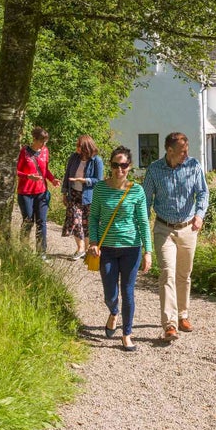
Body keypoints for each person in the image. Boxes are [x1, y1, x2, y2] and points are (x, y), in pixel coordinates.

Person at [141, 132, 209, 340]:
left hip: (188, 228)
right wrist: (142, 230)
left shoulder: (193, 166)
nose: (186, 155)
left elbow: (203, 192)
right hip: (164, 229)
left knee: (184, 274)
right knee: (167, 273)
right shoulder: (154, 170)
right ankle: (169, 324)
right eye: (182, 152)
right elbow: (145, 201)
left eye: (187, 151)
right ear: (169, 151)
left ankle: (182, 315)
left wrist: (199, 215)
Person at [87, 146, 151, 351]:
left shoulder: (137, 190)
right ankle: (113, 312)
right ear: (110, 166)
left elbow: (143, 222)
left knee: (128, 291)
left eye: (123, 165)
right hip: (106, 248)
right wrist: (93, 242)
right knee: (110, 293)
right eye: (115, 165)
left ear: (129, 166)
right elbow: (94, 218)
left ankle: (127, 334)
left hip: (131, 247)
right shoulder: (100, 188)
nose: (119, 170)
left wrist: (148, 252)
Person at [17, 126, 60, 260]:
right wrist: (27, 176)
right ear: (34, 139)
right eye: (41, 141)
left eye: (45, 141)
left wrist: (52, 179)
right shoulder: (24, 152)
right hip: (25, 192)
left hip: (41, 192)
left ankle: (41, 252)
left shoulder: (45, 151)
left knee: (42, 222)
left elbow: (45, 170)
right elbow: (16, 170)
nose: (43, 144)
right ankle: (24, 250)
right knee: (28, 221)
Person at [62, 135, 104, 259]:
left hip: (89, 197)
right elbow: (67, 175)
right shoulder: (74, 157)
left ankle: (87, 250)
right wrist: (64, 193)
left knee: (88, 224)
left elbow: (99, 180)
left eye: (79, 145)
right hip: (74, 194)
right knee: (75, 220)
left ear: (86, 147)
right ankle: (80, 249)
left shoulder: (96, 160)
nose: (77, 148)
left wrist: (85, 180)